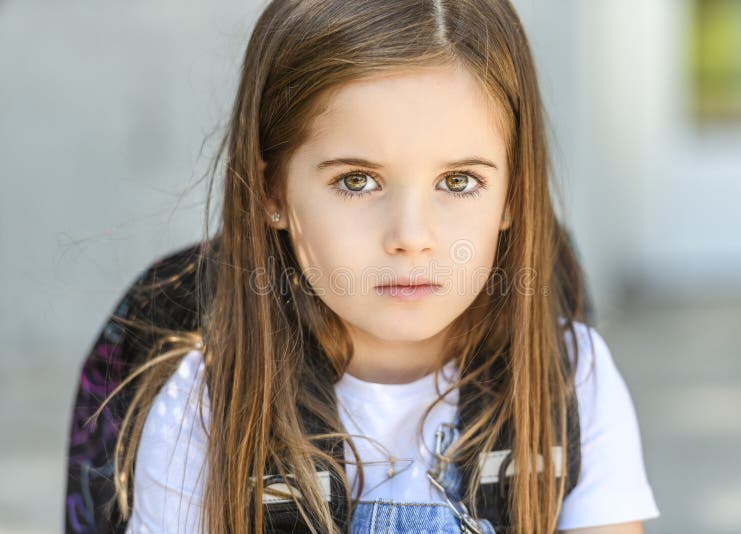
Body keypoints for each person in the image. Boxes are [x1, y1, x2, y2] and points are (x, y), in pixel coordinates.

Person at [68, 1, 660, 532]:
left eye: (458, 182)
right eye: (356, 181)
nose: (411, 237)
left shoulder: (571, 383)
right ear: (272, 191)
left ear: (513, 194)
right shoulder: (206, 406)